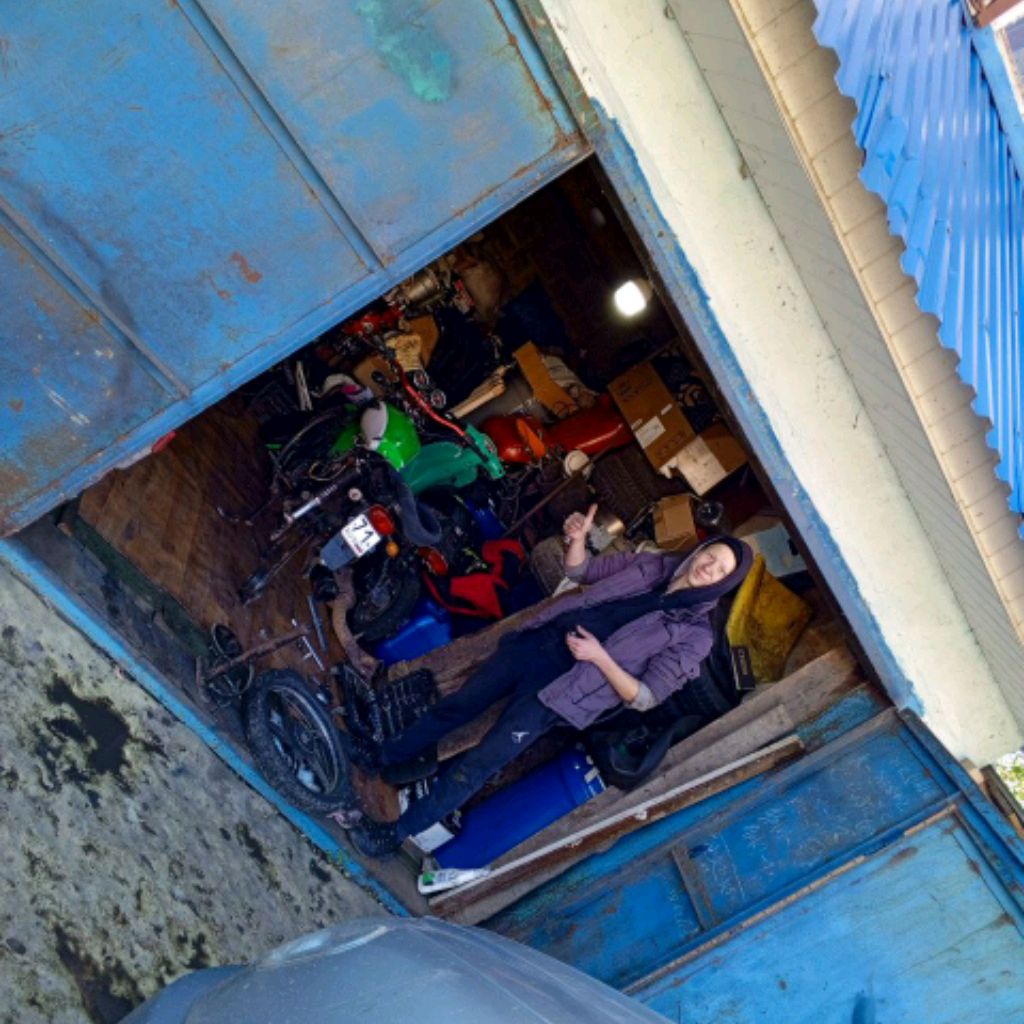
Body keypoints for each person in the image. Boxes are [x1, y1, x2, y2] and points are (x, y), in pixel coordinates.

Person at [347, 504, 753, 857]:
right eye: (712, 555)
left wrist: (599, 657)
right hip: (537, 643)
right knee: (457, 706)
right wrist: (576, 540)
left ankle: (395, 833)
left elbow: (645, 697)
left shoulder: (695, 636)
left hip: (563, 692)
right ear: (701, 548)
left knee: (482, 760)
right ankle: (382, 756)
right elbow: (581, 571)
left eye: (721, 570)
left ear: (724, 583)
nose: (709, 567)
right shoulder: (652, 563)